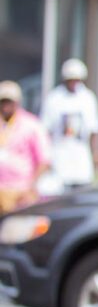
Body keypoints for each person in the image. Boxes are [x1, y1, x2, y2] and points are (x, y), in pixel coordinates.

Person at [40, 59, 98, 190]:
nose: (74, 83)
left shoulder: (87, 98)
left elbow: (94, 129)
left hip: (81, 160)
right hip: (60, 158)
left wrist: (96, 153)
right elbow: (45, 130)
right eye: (71, 79)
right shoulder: (54, 98)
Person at [0, 81, 51, 214]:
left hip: (20, 192)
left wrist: (31, 186)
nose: (5, 106)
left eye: (9, 102)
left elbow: (44, 161)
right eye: (2, 102)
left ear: (17, 102)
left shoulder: (31, 125)